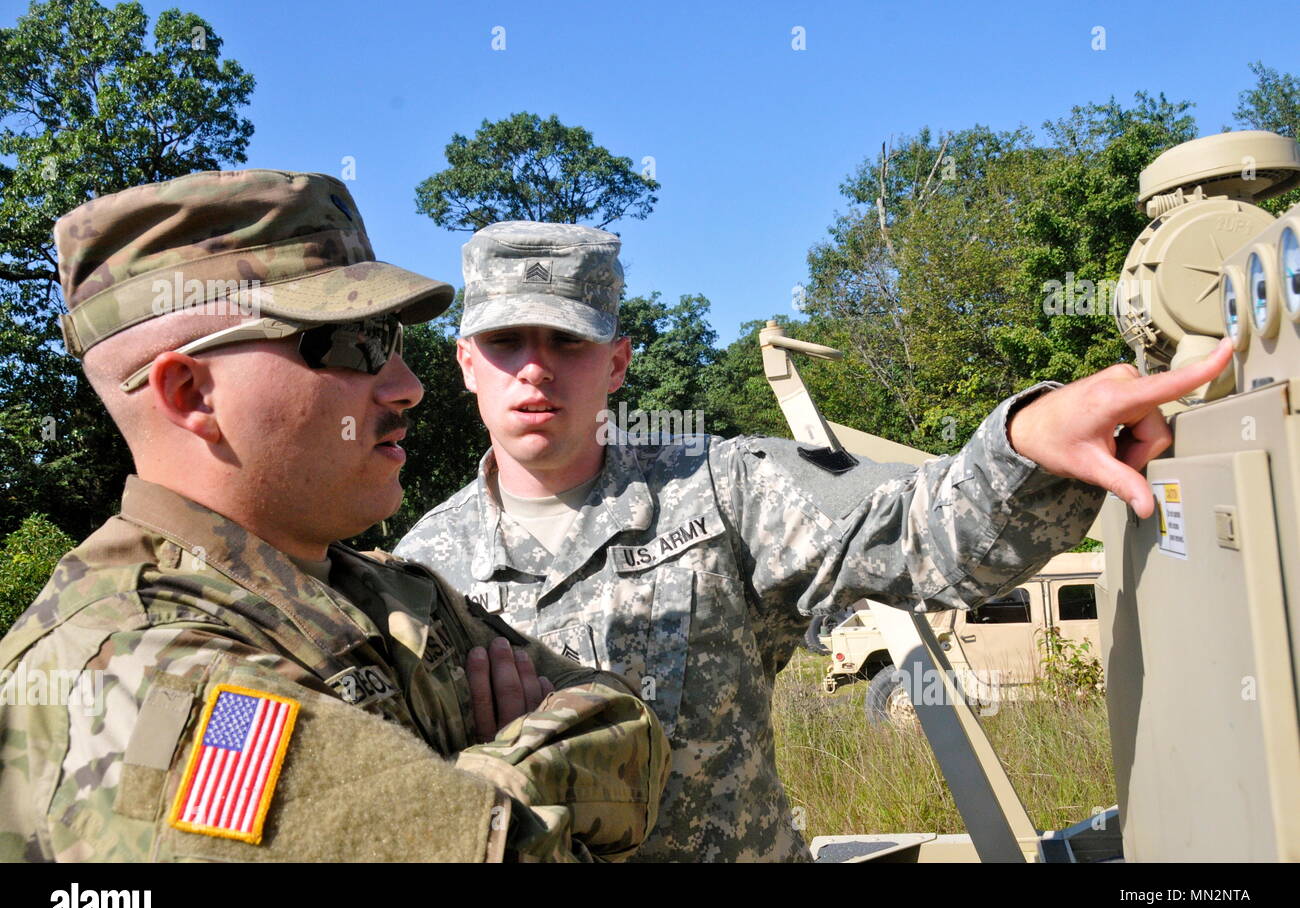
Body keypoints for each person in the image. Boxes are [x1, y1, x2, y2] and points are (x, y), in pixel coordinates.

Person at [394, 220, 1234, 862]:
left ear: (615, 363)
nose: (535, 368)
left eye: (566, 340)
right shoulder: (423, 568)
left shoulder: (724, 490)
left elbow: (915, 534)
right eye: (507, 341)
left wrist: (1023, 436)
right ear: (466, 360)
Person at [0, 173, 669, 863]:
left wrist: (497, 788)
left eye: (391, 337)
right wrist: (522, 791)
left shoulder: (394, 593)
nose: (408, 386)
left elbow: (633, 732)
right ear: (190, 391)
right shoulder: (149, 678)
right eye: (353, 342)